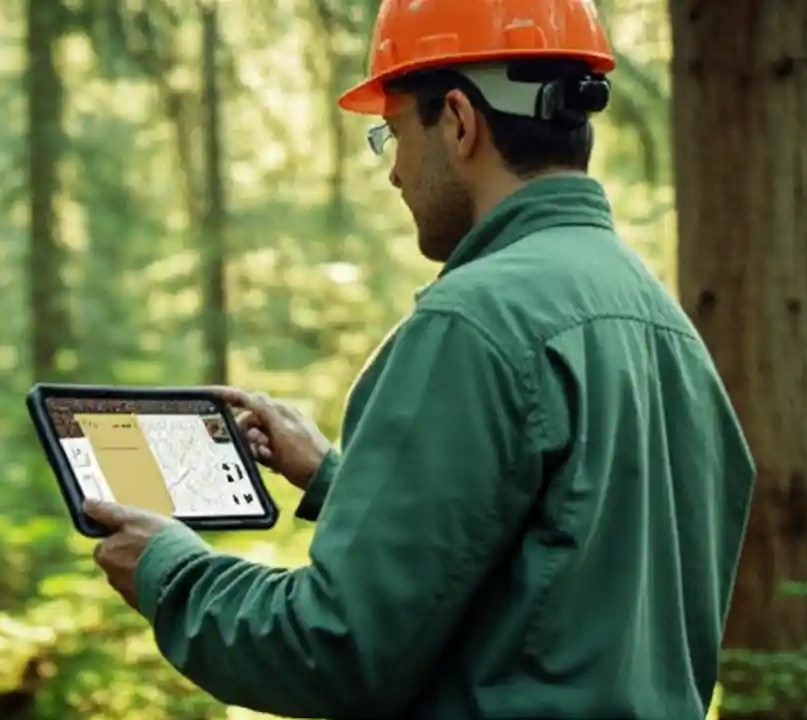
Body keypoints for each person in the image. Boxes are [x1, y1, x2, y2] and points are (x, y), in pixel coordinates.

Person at [84, 1, 756, 717]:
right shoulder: (661, 322)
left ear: (460, 121)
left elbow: (333, 649)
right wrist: (337, 481)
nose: (394, 173)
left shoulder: (473, 321)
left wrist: (170, 570)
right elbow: (554, 581)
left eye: (393, 133)